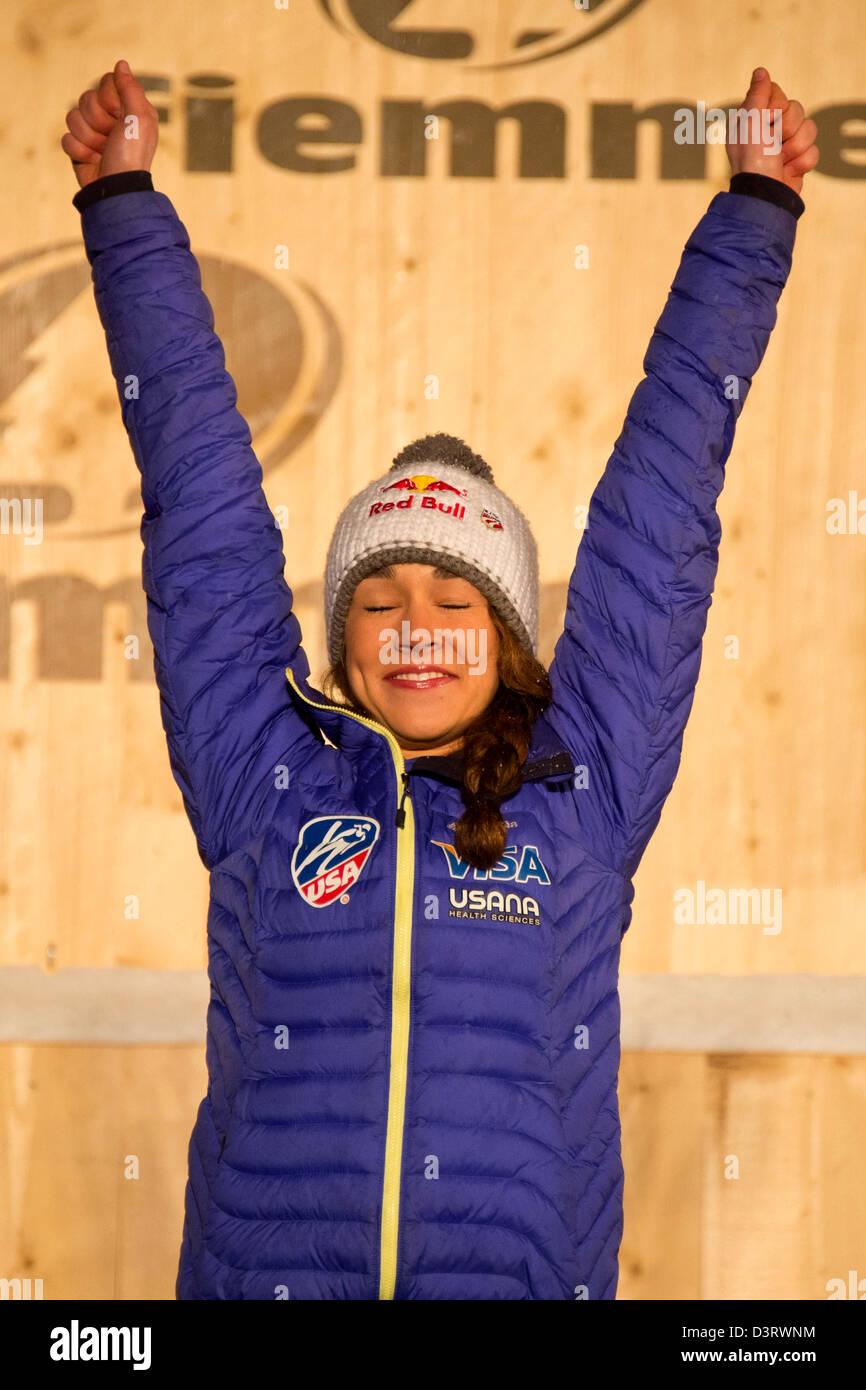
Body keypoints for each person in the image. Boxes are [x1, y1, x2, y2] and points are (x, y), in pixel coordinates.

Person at [63, 60, 818, 1300]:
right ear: (343, 637)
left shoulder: (582, 784)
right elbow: (198, 510)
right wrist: (125, 202)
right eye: (379, 599)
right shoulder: (264, 775)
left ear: (507, 634)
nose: (416, 627)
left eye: (456, 601)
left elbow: (660, 503)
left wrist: (750, 215)